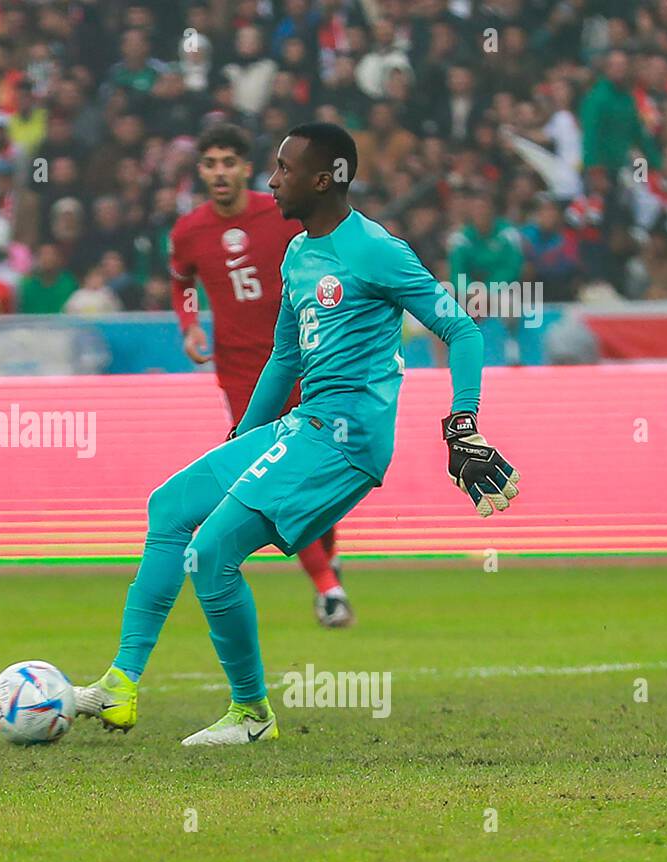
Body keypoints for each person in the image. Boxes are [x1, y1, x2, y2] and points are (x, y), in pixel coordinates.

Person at [75, 123, 520, 745]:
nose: (270, 179)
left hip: (347, 443)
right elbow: (285, 357)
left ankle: (252, 714)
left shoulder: (376, 250)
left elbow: (462, 331)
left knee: (210, 556)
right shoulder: (297, 252)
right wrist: (242, 437)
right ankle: (122, 682)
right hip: (299, 423)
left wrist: (463, 423)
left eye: (283, 168)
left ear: (322, 179)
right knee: (169, 507)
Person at [170, 123, 352, 627]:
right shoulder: (188, 231)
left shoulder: (280, 213)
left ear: (245, 168)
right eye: (210, 163)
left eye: (229, 162)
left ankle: (326, 560)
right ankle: (328, 588)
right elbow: (181, 280)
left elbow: (325, 258)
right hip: (241, 375)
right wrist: (189, 325)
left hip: (304, 361)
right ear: (201, 171)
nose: (220, 172)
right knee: (276, 478)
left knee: (320, 473)